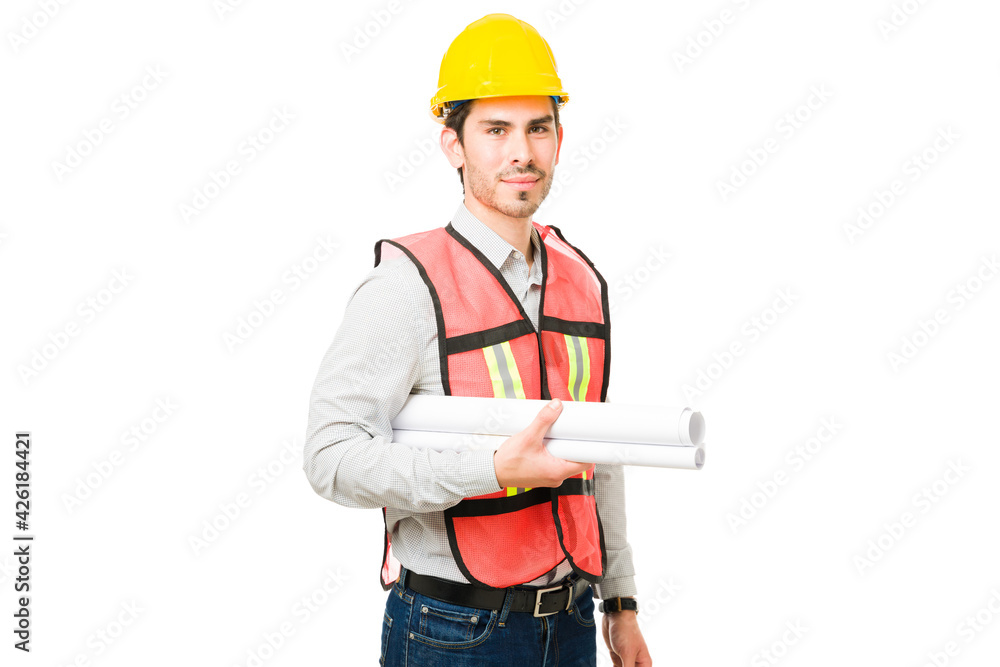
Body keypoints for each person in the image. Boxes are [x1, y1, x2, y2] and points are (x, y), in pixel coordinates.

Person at [303, 13, 652, 667]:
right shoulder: (407, 286)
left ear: (559, 137)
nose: (522, 151)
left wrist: (620, 603)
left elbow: (599, 453)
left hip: (574, 622)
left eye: (537, 128)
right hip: (453, 631)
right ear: (453, 143)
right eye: (496, 130)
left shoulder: (581, 279)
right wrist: (490, 470)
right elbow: (330, 456)